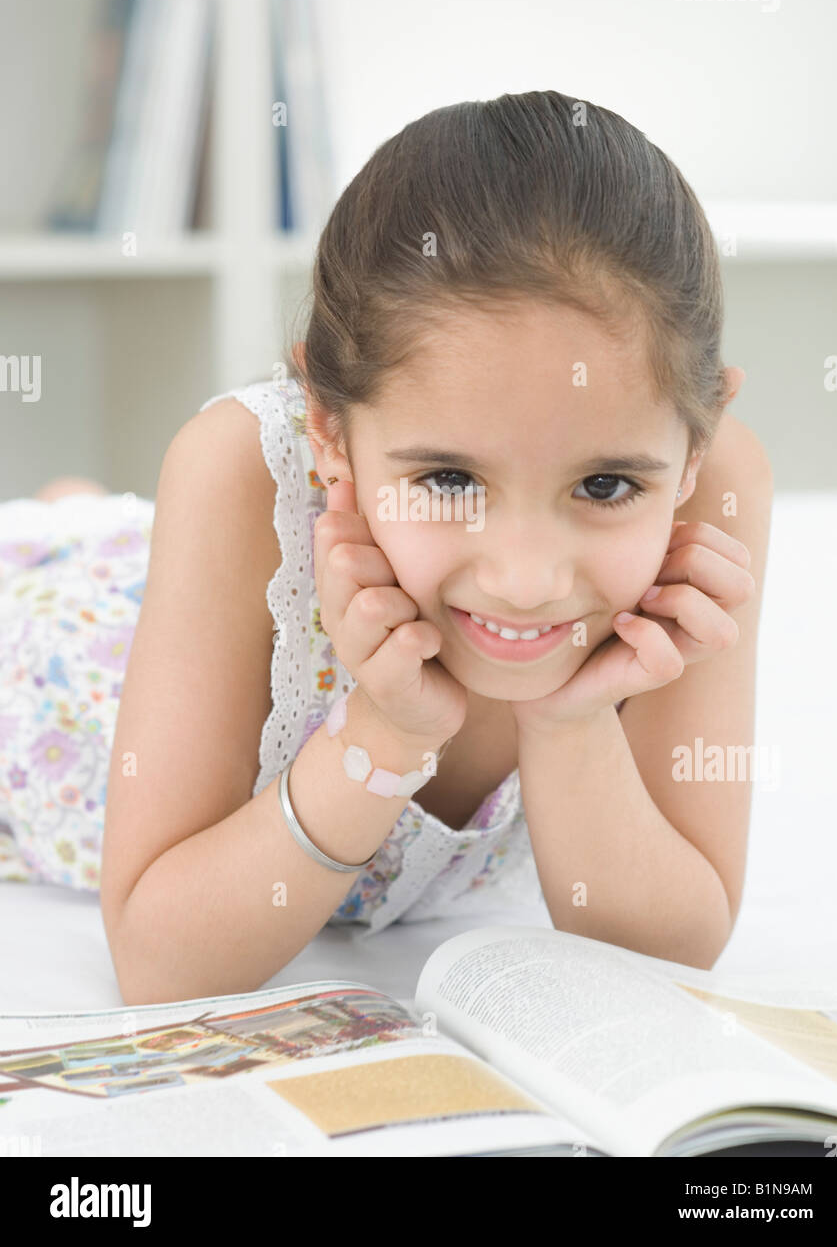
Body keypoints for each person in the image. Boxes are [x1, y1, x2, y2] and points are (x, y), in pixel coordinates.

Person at [0, 91, 772, 1004]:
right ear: (328, 433)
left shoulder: (712, 494)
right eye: (448, 481)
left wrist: (569, 722)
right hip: (70, 660)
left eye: (604, 487)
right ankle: (65, 524)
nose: (524, 580)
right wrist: (383, 732)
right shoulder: (235, 469)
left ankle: (82, 514)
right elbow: (161, 964)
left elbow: (672, 946)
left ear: (696, 440)